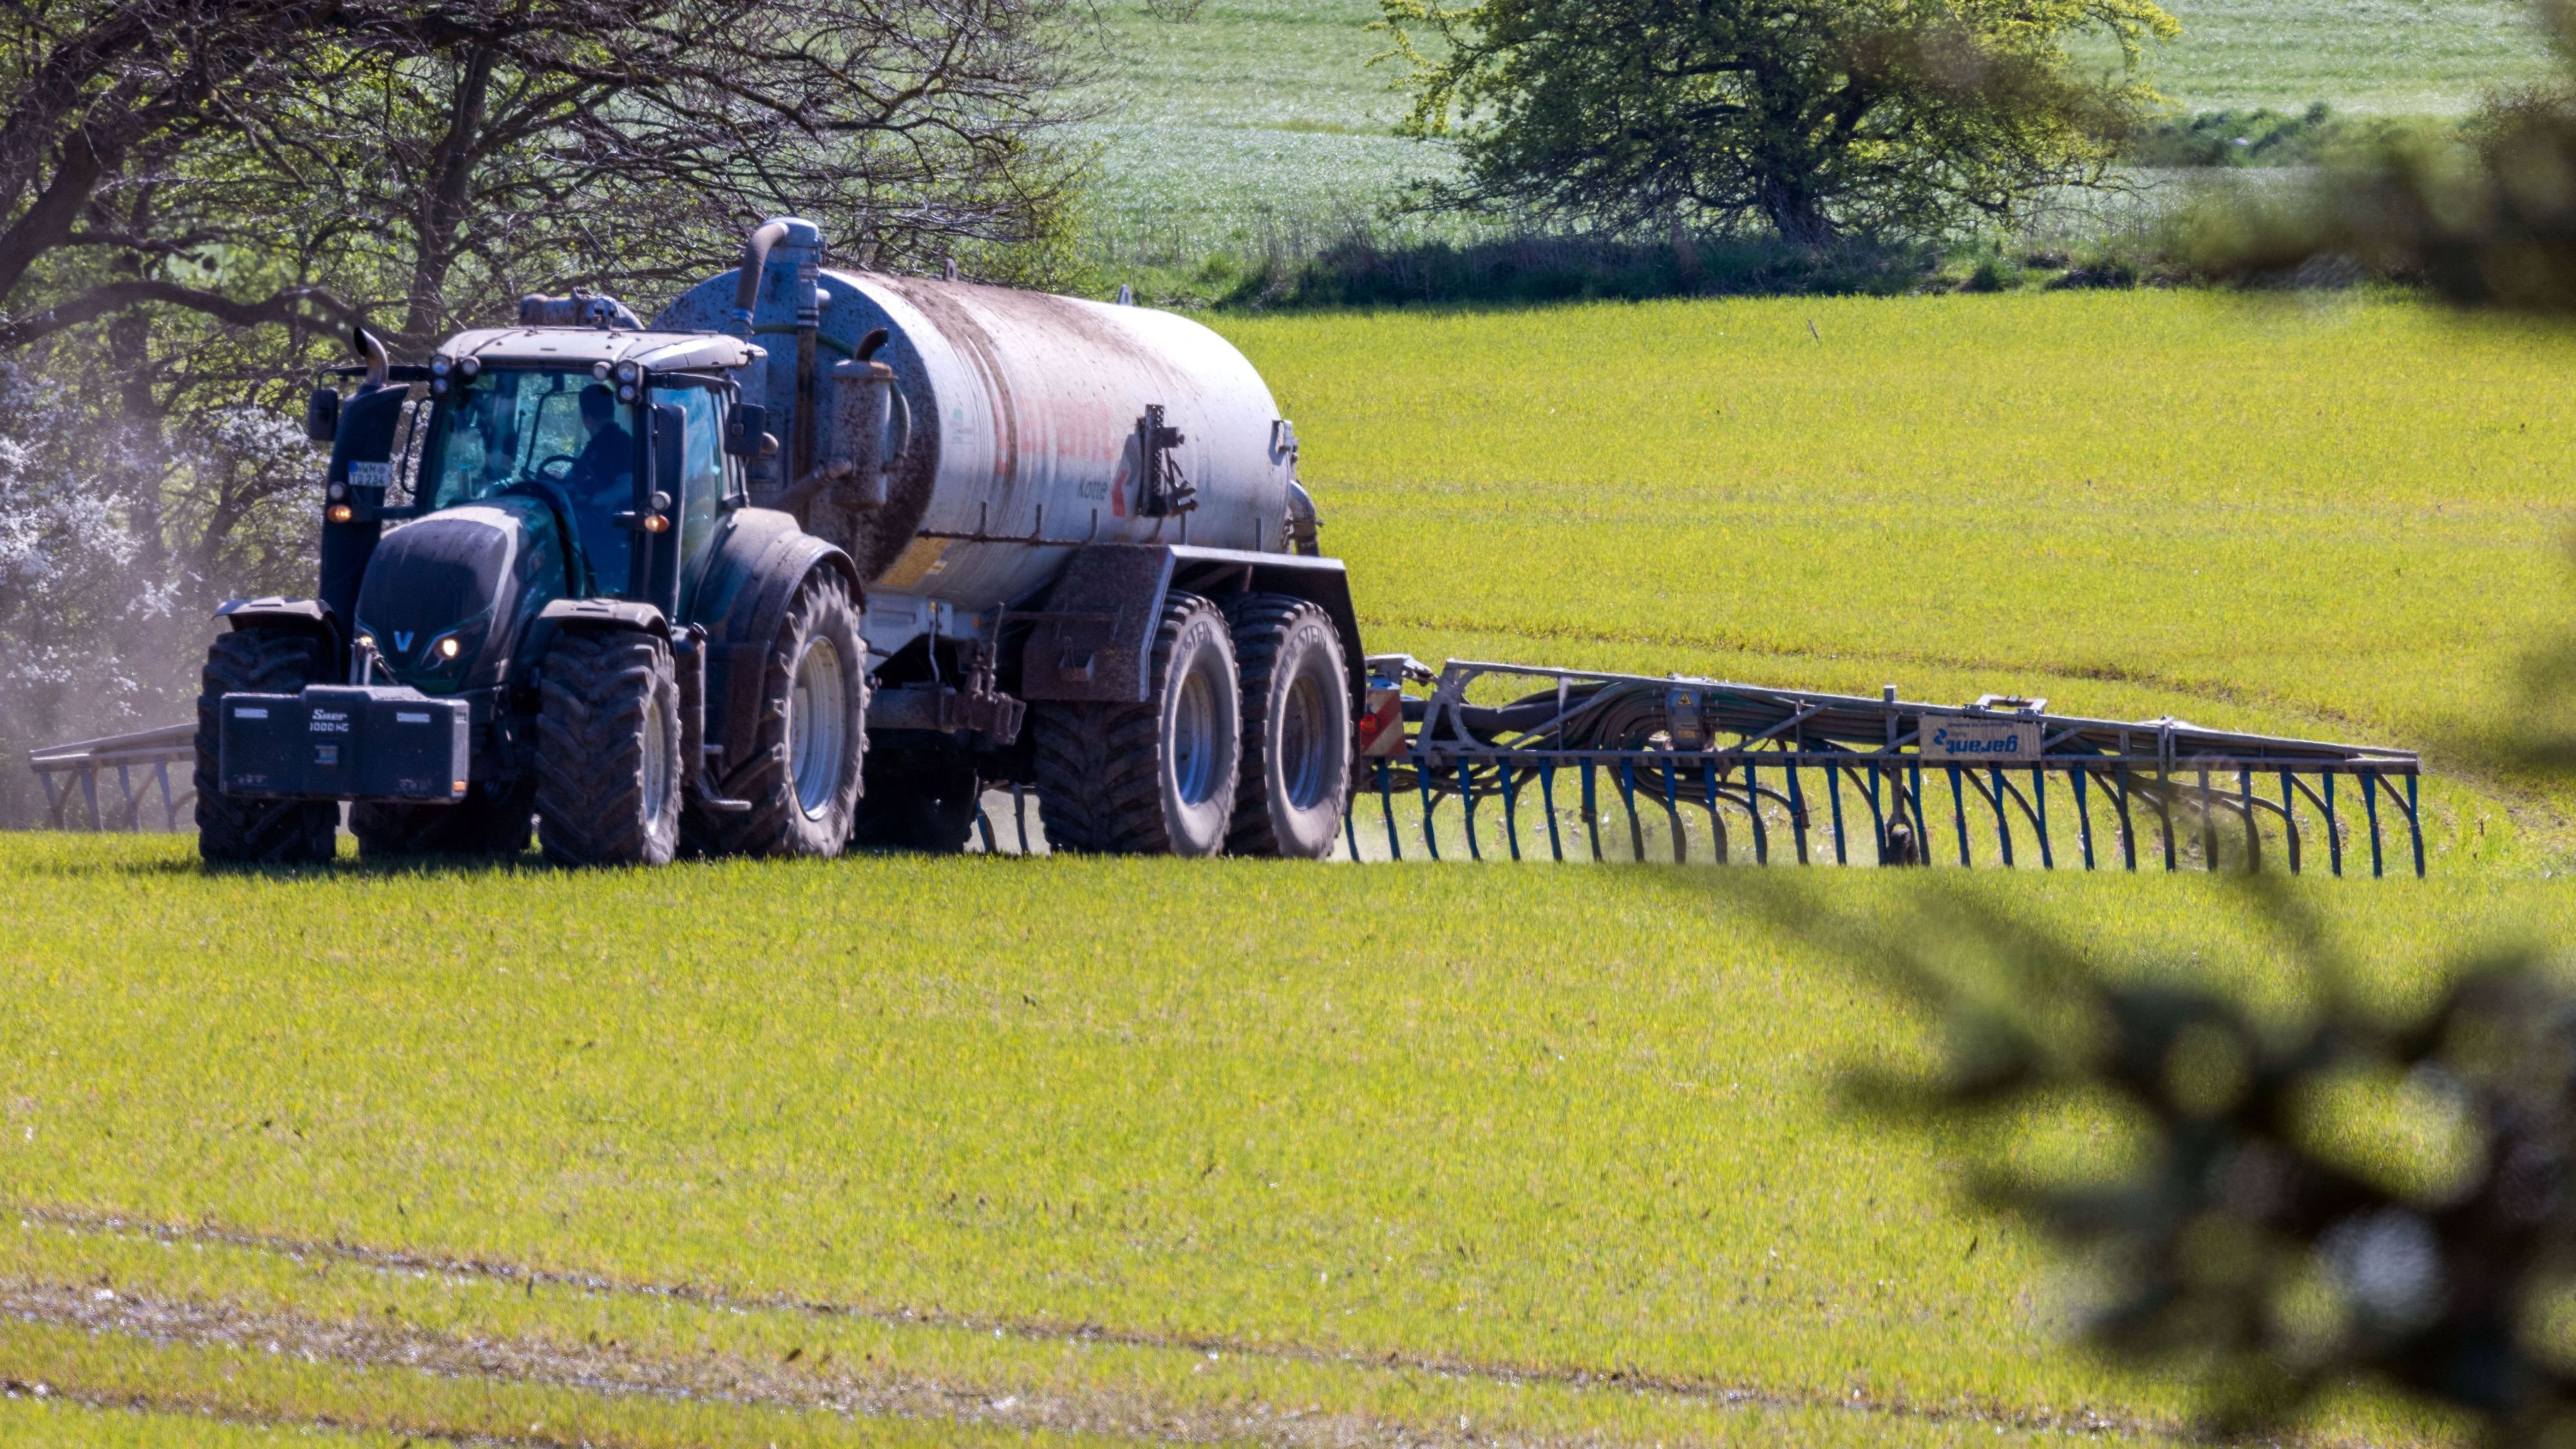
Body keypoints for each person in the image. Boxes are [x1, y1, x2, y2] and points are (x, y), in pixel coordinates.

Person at [567, 384, 634, 505]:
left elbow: (628, 485)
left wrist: (590, 501)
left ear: (586, 417)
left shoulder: (619, 442)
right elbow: (575, 476)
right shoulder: (596, 445)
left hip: (612, 515)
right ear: (613, 411)